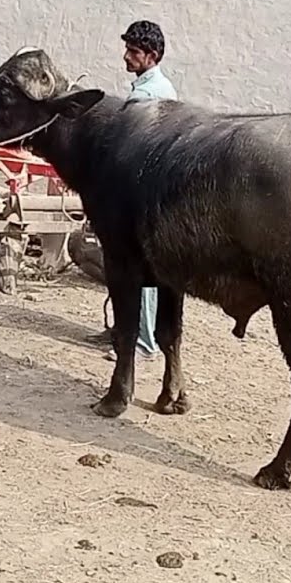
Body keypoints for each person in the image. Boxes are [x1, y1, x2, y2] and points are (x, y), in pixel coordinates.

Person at [101, 20, 178, 362]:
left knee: (138, 270)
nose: (126, 58)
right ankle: (127, 332)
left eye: (133, 52)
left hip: (141, 194)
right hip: (148, 191)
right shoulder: (160, 89)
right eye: (127, 50)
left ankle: (142, 342)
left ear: (152, 56)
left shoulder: (147, 97)